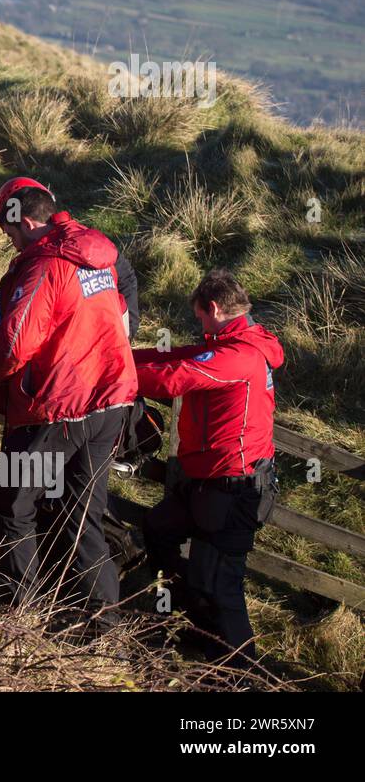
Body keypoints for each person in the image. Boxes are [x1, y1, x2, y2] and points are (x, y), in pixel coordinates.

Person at [0, 176, 137, 627]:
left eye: (10, 233)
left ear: (26, 221)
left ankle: (19, 612)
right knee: (82, 514)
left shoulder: (45, 265)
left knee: (14, 503)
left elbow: (14, 345)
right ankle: (106, 626)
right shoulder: (98, 255)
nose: (9, 242)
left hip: (59, 404)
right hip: (110, 398)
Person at [134, 269, 282, 666]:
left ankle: (238, 672)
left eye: (200, 317)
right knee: (159, 528)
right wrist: (122, 357)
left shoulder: (239, 355)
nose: (199, 326)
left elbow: (177, 376)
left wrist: (115, 375)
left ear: (213, 308)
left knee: (222, 584)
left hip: (234, 489)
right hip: (208, 483)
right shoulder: (234, 344)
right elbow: (176, 357)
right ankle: (197, 620)